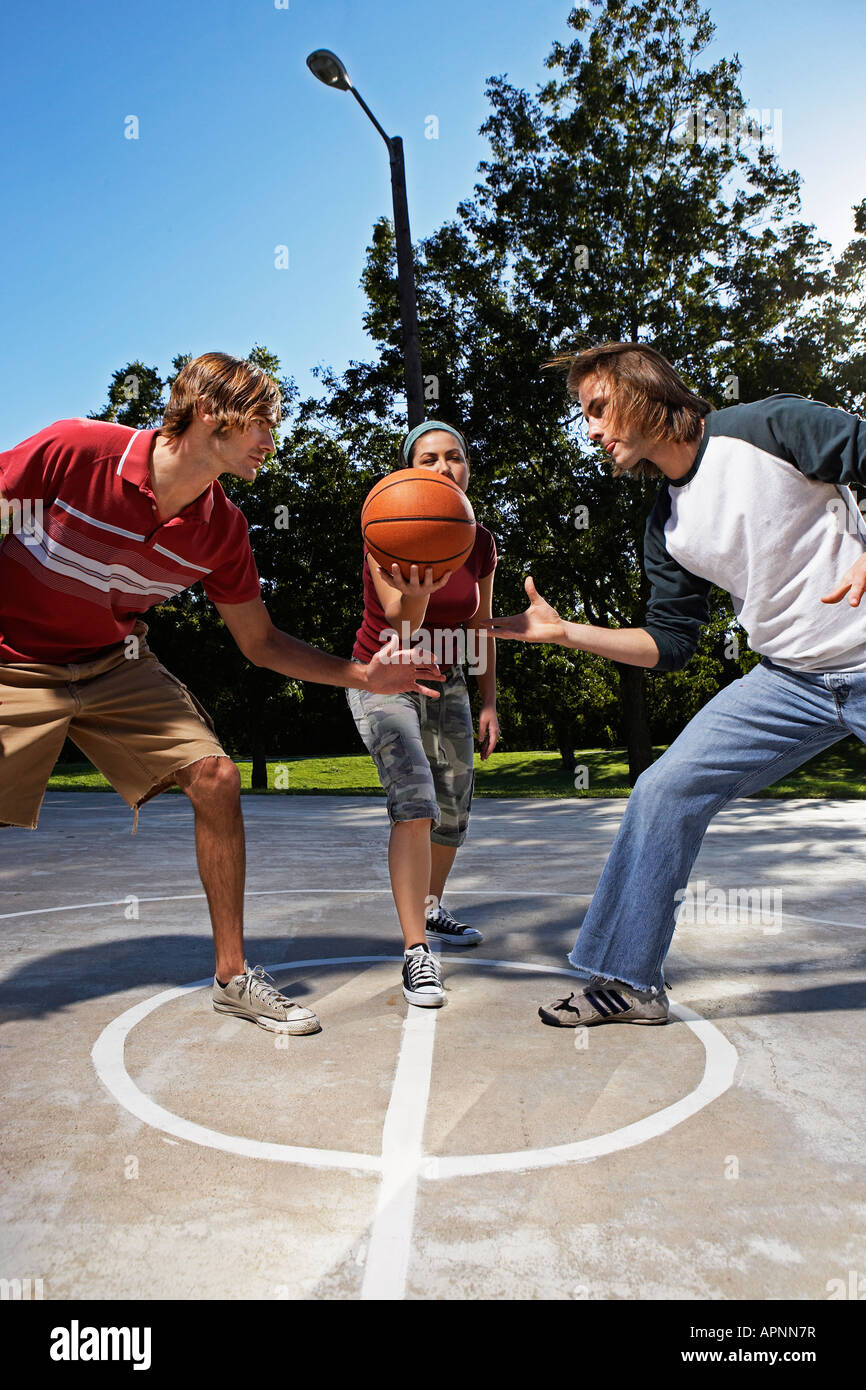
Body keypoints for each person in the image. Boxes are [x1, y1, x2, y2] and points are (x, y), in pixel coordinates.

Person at [0, 352, 442, 1037]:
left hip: (112, 660)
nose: (271, 439)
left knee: (215, 777)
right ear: (211, 412)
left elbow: (261, 644)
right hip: (12, 656)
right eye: (262, 421)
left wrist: (364, 676)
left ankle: (233, 978)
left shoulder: (221, 530)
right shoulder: (75, 451)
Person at [484, 341, 866, 1028]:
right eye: (584, 417)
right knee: (664, 790)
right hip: (790, 682)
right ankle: (628, 980)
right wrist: (567, 633)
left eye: (598, 408)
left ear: (645, 389)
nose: (592, 431)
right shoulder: (666, 525)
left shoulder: (769, 427)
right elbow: (669, 644)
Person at [347, 420, 499, 1007]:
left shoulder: (481, 542)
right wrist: (425, 579)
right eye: (429, 459)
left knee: (454, 810)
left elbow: (481, 626)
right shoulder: (389, 529)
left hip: (448, 679)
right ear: (410, 472)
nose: (443, 468)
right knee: (415, 800)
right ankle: (416, 953)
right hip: (382, 675)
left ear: (466, 470)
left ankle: (432, 908)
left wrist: (488, 702)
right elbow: (402, 623)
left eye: (454, 457)